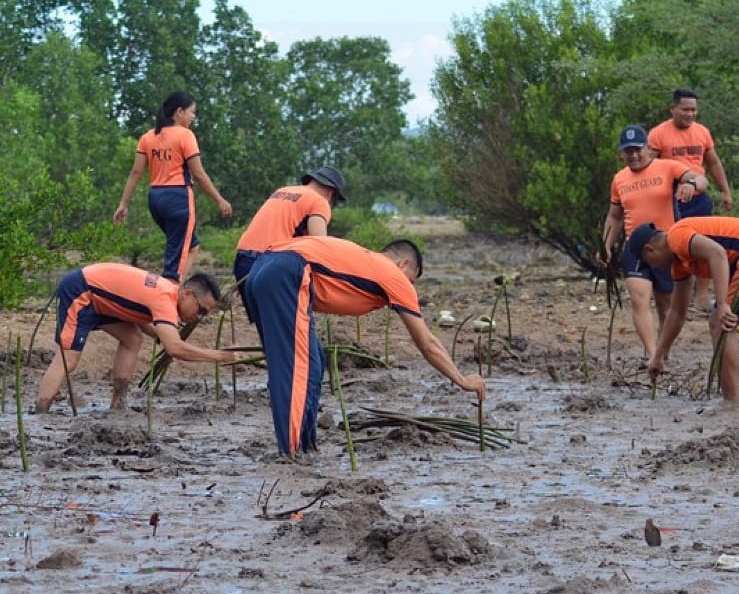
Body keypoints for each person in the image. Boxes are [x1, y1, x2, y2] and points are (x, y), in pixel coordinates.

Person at [243, 236, 486, 457]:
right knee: (297, 369)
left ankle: (306, 446)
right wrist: (462, 380)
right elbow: (427, 343)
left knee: (314, 362)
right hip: (287, 272)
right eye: (411, 280)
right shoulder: (392, 275)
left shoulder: (367, 260)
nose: (410, 288)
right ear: (402, 264)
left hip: (262, 267)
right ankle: (291, 454)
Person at [628, 216, 739, 406]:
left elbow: (717, 253)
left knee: (719, 323)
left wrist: (723, 303)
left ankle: (731, 403)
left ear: (650, 250)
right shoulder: (679, 264)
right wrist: (658, 356)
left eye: (648, 262)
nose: (653, 267)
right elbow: (677, 312)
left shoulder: (676, 236)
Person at [35, 264, 239, 413]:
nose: (199, 317)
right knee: (68, 359)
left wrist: (163, 336)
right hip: (81, 291)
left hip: (100, 299)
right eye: (201, 310)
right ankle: (41, 412)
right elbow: (175, 348)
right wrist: (222, 356)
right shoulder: (164, 299)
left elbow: (137, 314)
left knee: (132, 339)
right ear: (187, 293)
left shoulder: (167, 293)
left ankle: (117, 405)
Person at [602, 125, 708, 358]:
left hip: (665, 246)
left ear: (649, 148)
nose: (634, 156)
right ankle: (651, 354)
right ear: (621, 153)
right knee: (639, 299)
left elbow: (701, 180)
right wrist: (606, 245)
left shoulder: (668, 167)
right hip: (635, 247)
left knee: (665, 305)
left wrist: (690, 185)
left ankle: (663, 351)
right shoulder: (619, 179)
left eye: (638, 150)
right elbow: (615, 216)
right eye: (628, 151)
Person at [114, 91, 232, 282]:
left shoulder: (148, 137)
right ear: (179, 112)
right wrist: (219, 200)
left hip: (155, 199)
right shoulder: (185, 136)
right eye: (191, 112)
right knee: (175, 263)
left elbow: (136, 172)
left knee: (191, 246)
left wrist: (123, 203)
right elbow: (199, 174)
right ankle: (168, 295)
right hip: (178, 198)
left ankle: (175, 290)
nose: (193, 116)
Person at [647, 88, 734, 313]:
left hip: (698, 193)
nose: (690, 114)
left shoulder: (702, 132)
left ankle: (702, 296)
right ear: (673, 109)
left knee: (706, 242)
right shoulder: (658, 134)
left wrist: (725, 191)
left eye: (694, 110)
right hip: (672, 197)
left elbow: (713, 163)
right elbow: (647, 167)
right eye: (685, 109)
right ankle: (677, 295)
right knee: (674, 245)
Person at [232, 166, 347, 318]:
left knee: (266, 322)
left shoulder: (282, 191)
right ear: (330, 192)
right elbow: (319, 243)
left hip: (243, 260)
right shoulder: (319, 201)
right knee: (290, 322)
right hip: (269, 264)